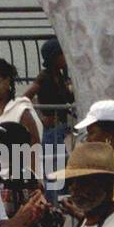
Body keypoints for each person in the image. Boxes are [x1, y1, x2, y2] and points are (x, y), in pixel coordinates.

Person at [25, 38, 75, 186]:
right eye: (62, 54)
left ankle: (59, 200)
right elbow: (24, 99)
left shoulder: (60, 76)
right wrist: (39, 117)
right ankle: (52, 201)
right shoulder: (44, 77)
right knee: (54, 169)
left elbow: (68, 98)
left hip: (60, 129)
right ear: (54, 56)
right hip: (50, 129)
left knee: (62, 167)